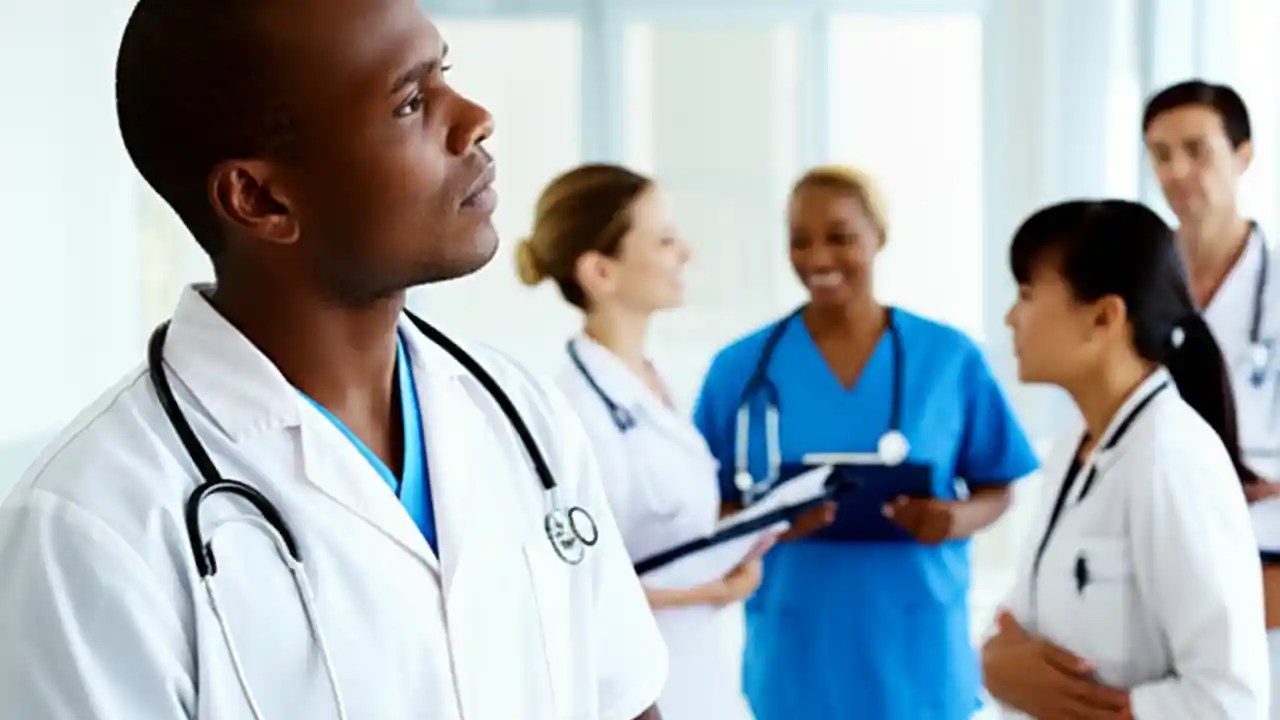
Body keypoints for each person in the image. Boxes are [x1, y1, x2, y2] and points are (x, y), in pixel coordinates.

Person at [0, 1, 668, 718]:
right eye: (412, 101)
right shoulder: (92, 526)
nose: (474, 117)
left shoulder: (517, 412)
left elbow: (624, 699)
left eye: (445, 73)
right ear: (259, 198)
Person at [692, 164, 1039, 719]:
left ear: (880, 236)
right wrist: (772, 520)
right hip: (796, 658)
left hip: (919, 655)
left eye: (841, 237)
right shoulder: (740, 370)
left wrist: (953, 519)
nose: (819, 258)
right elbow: (707, 508)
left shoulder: (948, 358)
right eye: (800, 241)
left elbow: (998, 486)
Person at [983, 199, 1269, 719]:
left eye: (1026, 293)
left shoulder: (1171, 459)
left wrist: (1098, 710)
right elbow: (1020, 620)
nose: (1010, 316)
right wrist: (995, 663)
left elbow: (1231, 701)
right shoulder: (1076, 446)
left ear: (1102, 317)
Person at [516, 163, 769, 720]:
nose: (687, 252)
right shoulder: (571, 414)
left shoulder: (658, 382)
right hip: (637, 695)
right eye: (664, 239)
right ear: (601, 272)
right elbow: (568, 588)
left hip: (705, 674)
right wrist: (710, 589)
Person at [1143, 79, 1280, 714]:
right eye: (1161, 154)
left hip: (1268, 577)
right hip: (1161, 575)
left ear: (1244, 155)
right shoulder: (1136, 291)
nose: (1177, 172)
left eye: (1197, 150)